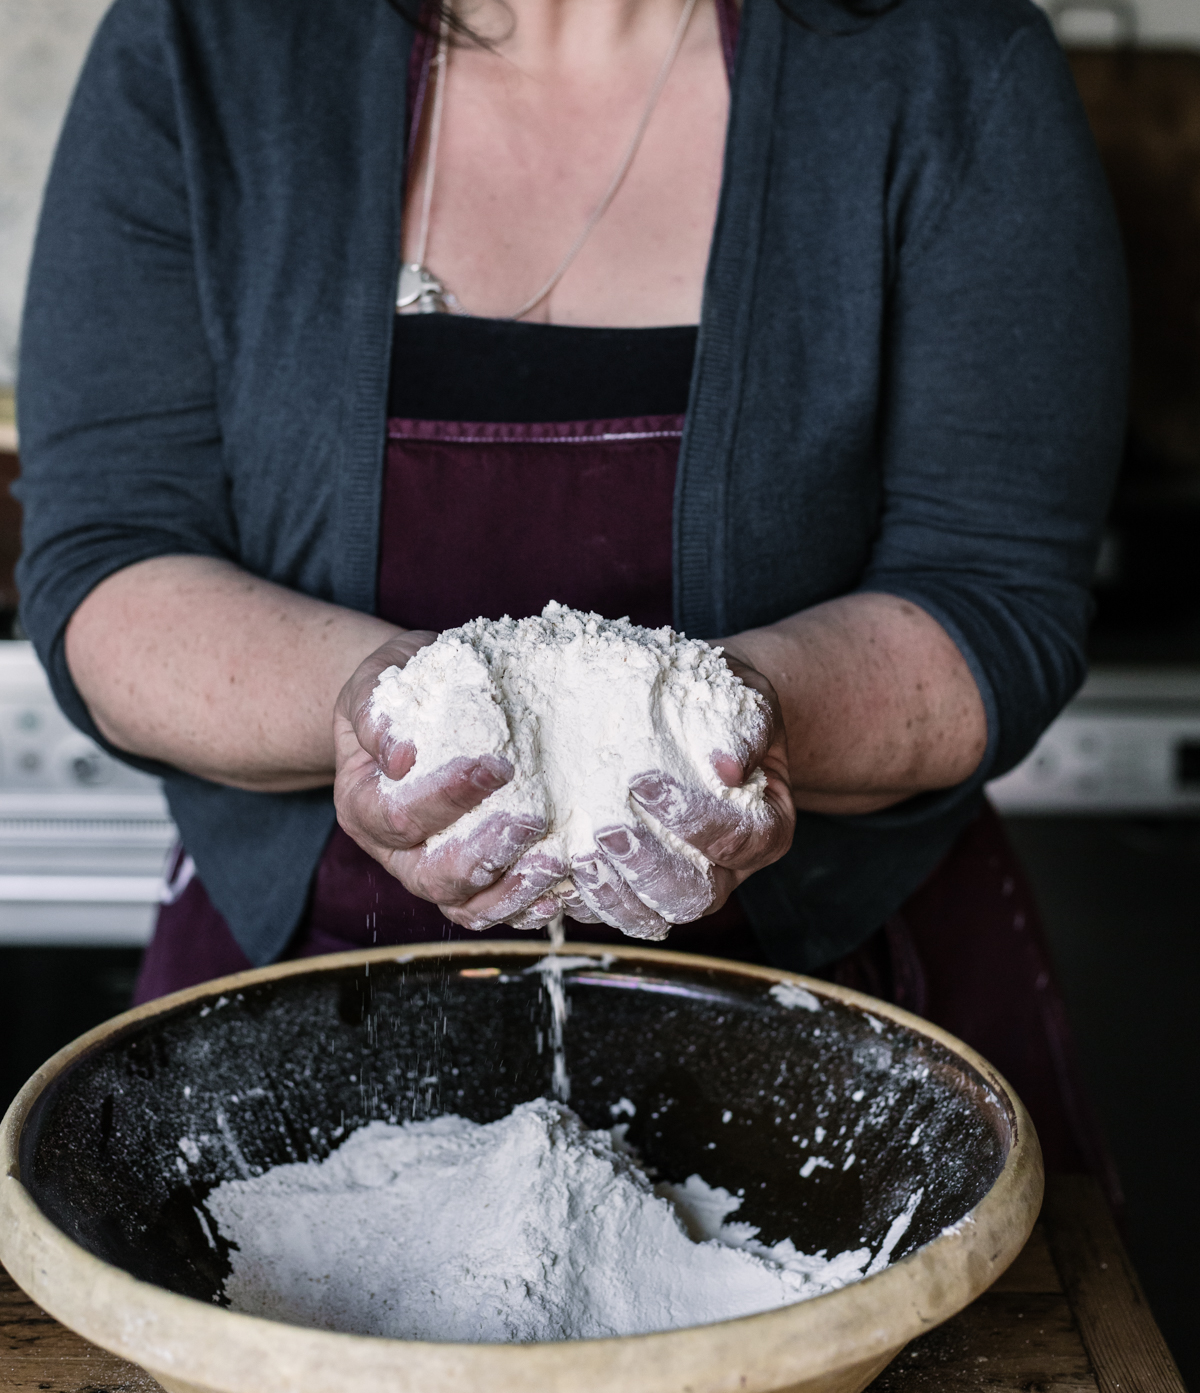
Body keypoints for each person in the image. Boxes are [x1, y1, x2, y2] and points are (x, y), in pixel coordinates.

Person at [15, 0, 1126, 1187]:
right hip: (280, 1042)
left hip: (844, 1044)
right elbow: (108, 565)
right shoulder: (203, 46)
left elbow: (994, 593)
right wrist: (373, 711)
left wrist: (743, 723)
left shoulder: (949, 60)